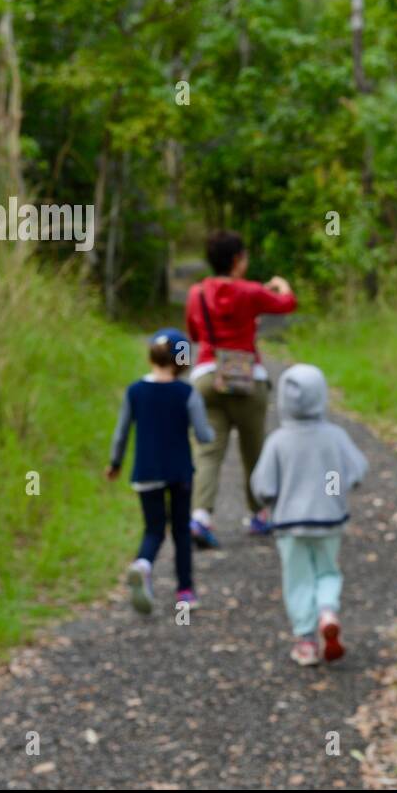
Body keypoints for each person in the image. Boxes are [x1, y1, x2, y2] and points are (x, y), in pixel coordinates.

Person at [185, 229, 297, 549]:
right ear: (237, 260)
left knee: (208, 451)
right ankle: (260, 513)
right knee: (254, 451)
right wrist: (279, 285)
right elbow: (288, 304)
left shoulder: (197, 294)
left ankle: (201, 517)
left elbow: (194, 333)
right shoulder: (251, 292)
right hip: (248, 379)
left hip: (207, 375)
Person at [250, 364, 367, 666]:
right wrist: (337, 486)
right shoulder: (334, 436)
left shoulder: (278, 440)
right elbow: (356, 470)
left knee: (298, 578)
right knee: (327, 570)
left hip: (290, 522)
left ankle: (305, 640)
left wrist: (272, 501)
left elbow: (263, 485)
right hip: (329, 518)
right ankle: (327, 611)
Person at [107, 329, 215, 614]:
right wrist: (212, 433)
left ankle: (143, 565)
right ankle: (185, 592)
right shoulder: (186, 392)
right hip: (180, 473)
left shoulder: (135, 391)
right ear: (182, 360)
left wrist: (115, 463)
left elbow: (121, 434)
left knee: (154, 528)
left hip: (146, 472)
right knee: (180, 530)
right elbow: (204, 435)